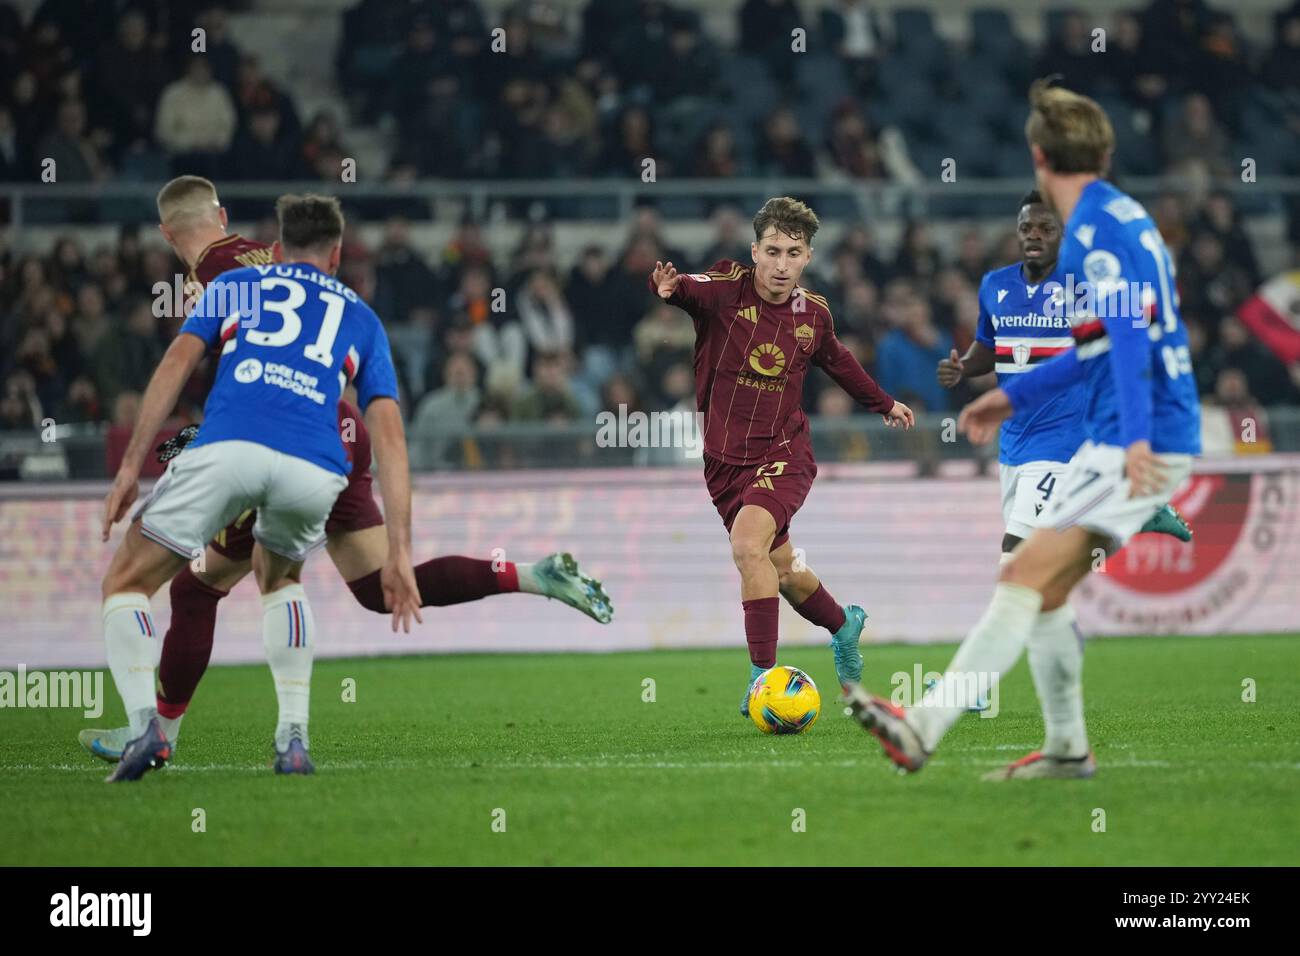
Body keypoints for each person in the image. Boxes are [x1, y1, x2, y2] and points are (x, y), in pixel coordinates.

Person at [82, 177, 612, 767]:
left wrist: (147, 458)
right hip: (334, 439)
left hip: (270, 429)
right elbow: (383, 426)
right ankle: (531, 575)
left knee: (196, 587)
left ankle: (156, 733)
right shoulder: (297, 273)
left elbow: (191, 366)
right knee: (373, 586)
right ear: (225, 217)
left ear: (165, 235)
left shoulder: (219, 276)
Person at [848, 79, 1201, 779]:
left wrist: (1136, 439)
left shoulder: (1095, 233)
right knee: (1044, 593)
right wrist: (1010, 399)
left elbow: (1127, 338)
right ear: (1103, 153)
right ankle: (1066, 748)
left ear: (1039, 156)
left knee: (1021, 573)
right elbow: (1097, 346)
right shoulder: (1124, 216)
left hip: (1133, 436)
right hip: (1129, 432)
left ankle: (923, 726)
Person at [99, 194, 418, 780]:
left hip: (232, 446)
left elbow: (176, 366)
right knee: (281, 579)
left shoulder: (237, 287)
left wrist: (130, 467)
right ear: (336, 255)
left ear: (278, 248)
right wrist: (399, 550)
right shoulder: (362, 318)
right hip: (316, 466)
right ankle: (293, 739)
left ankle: (147, 729)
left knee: (126, 582)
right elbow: (391, 440)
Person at [649, 197, 914, 716]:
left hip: (785, 453)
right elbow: (689, 288)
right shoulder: (726, 290)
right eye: (772, 251)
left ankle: (762, 681)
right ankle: (843, 624)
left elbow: (838, 361)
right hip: (723, 462)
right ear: (754, 252)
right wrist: (669, 287)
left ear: (808, 257)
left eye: (793, 253)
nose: (781, 264)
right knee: (784, 570)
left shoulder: (813, 314)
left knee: (748, 547)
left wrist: (883, 403)